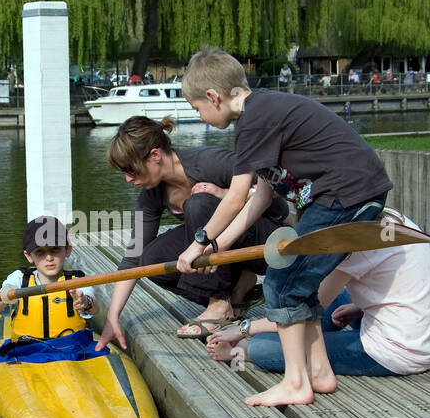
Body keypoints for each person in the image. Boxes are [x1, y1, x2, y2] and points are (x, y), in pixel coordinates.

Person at [179, 46, 392, 407]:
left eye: (198, 109)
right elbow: (261, 195)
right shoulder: (263, 112)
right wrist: (222, 247)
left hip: (346, 194)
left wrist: (198, 242)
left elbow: (234, 196)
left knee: (283, 282)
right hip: (344, 194)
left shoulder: (254, 121)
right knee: (301, 284)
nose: (200, 118)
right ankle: (319, 373)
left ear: (213, 96)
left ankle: (296, 384)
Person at [99, 115, 289, 345]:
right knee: (151, 259)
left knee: (198, 203)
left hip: (272, 241)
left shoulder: (209, 162)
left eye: (131, 169)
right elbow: (133, 257)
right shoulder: (151, 194)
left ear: (155, 155)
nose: (128, 179)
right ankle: (238, 291)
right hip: (223, 249)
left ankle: (218, 303)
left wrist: (223, 194)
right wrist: (112, 315)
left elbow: (277, 193)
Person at [205, 209, 430, 378]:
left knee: (263, 347)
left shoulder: (352, 246)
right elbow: (396, 281)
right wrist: (359, 307)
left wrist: (244, 328)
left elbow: (298, 310)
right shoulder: (393, 221)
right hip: (423, 337)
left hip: (398, 352)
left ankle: (241, 352)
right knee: (331, 298)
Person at [0, 216, 95, 339]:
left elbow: (94, 308)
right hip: (28, 350)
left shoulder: (78, 281)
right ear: (28, 256)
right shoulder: (18, 280)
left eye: (55, 249)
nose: (49, 258)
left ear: (67, 249)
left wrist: (85, 303)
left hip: (71, 349)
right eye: (40, 252)